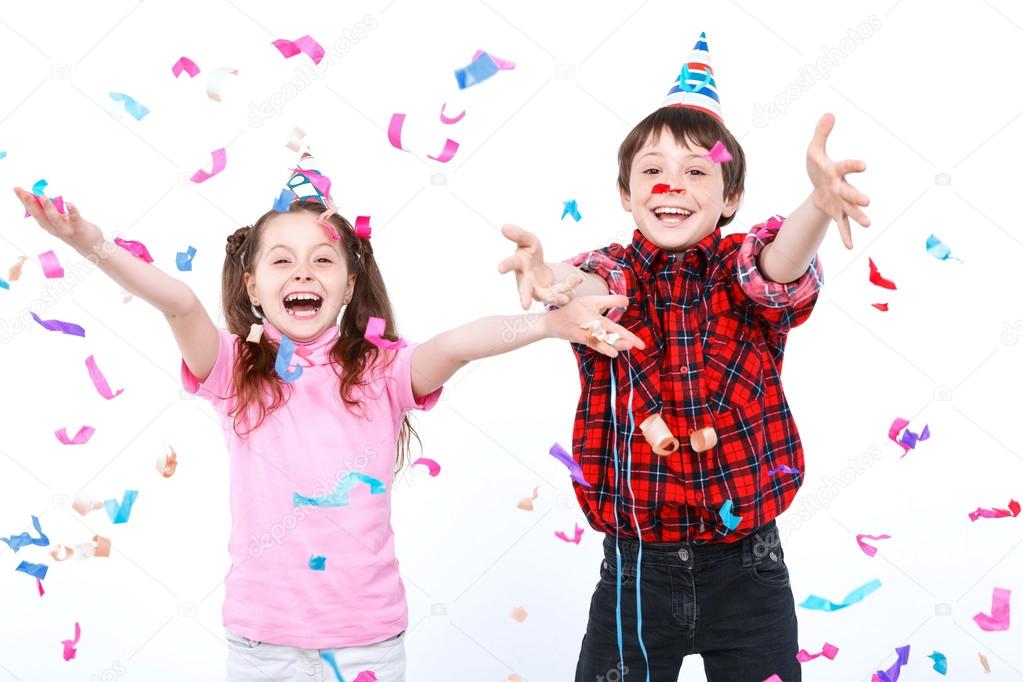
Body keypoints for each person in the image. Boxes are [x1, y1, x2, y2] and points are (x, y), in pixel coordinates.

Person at [15, 155, 644, 682]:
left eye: (323, 260)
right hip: (262, 644)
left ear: (347, 286)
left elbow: (457, 343)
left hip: (367, 640)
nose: (303, 272)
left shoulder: (381, 372)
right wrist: (91, 244)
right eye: (281, 261)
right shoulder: (234, 370)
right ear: (253, 286)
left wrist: (548, 324)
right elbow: (179, 304)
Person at [499, 33, 870, 681]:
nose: (672, 182)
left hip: (748, 570)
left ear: (729, 199)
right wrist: (547, 275)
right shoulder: (612, 272)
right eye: (653, 170)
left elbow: (778, 267)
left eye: (697, 170)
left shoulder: (742, 267)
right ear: (626, 193)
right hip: (634, 572)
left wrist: (815, 206)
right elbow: (587, 289)